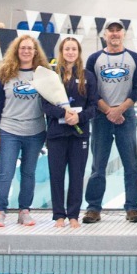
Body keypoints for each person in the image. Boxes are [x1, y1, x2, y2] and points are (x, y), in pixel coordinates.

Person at [83, 20, 137, 224]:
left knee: (131, 164)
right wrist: (109, 111)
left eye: (118, 31)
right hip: (101, 116)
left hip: (126, 115)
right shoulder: (94, 59)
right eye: (111, 31)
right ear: (105, 35)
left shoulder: (134, 58)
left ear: (124, 34)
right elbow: (91, 91)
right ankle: (93, 208)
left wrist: (120, 109)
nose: (115, 34)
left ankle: (132, 207)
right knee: (98, 165)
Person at [0, 33, 52, 227]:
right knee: (6, 172)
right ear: (16, 51)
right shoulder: (6, 73)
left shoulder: (43, 74)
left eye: (30, 48)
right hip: (10, 130)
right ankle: (0, 210)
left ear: (35, 52)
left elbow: (52, 101)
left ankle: (24, 210)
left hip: (35, 131)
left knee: (28, 173)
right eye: (22, 48)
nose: (26, 51)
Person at [45, 36, 91, 228]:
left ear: (78, 52)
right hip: (57, 133)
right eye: (67, 49)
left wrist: (79, 117)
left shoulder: (88, 76)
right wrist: (63, 113)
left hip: (79, 134)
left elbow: (93, 106)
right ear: (61, 52)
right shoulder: (52, 76)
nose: (70, 52)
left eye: (74, 49)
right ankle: (58, 215)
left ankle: (73, 215)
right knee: (56, 175)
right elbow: (45, 105)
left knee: (77, 175)